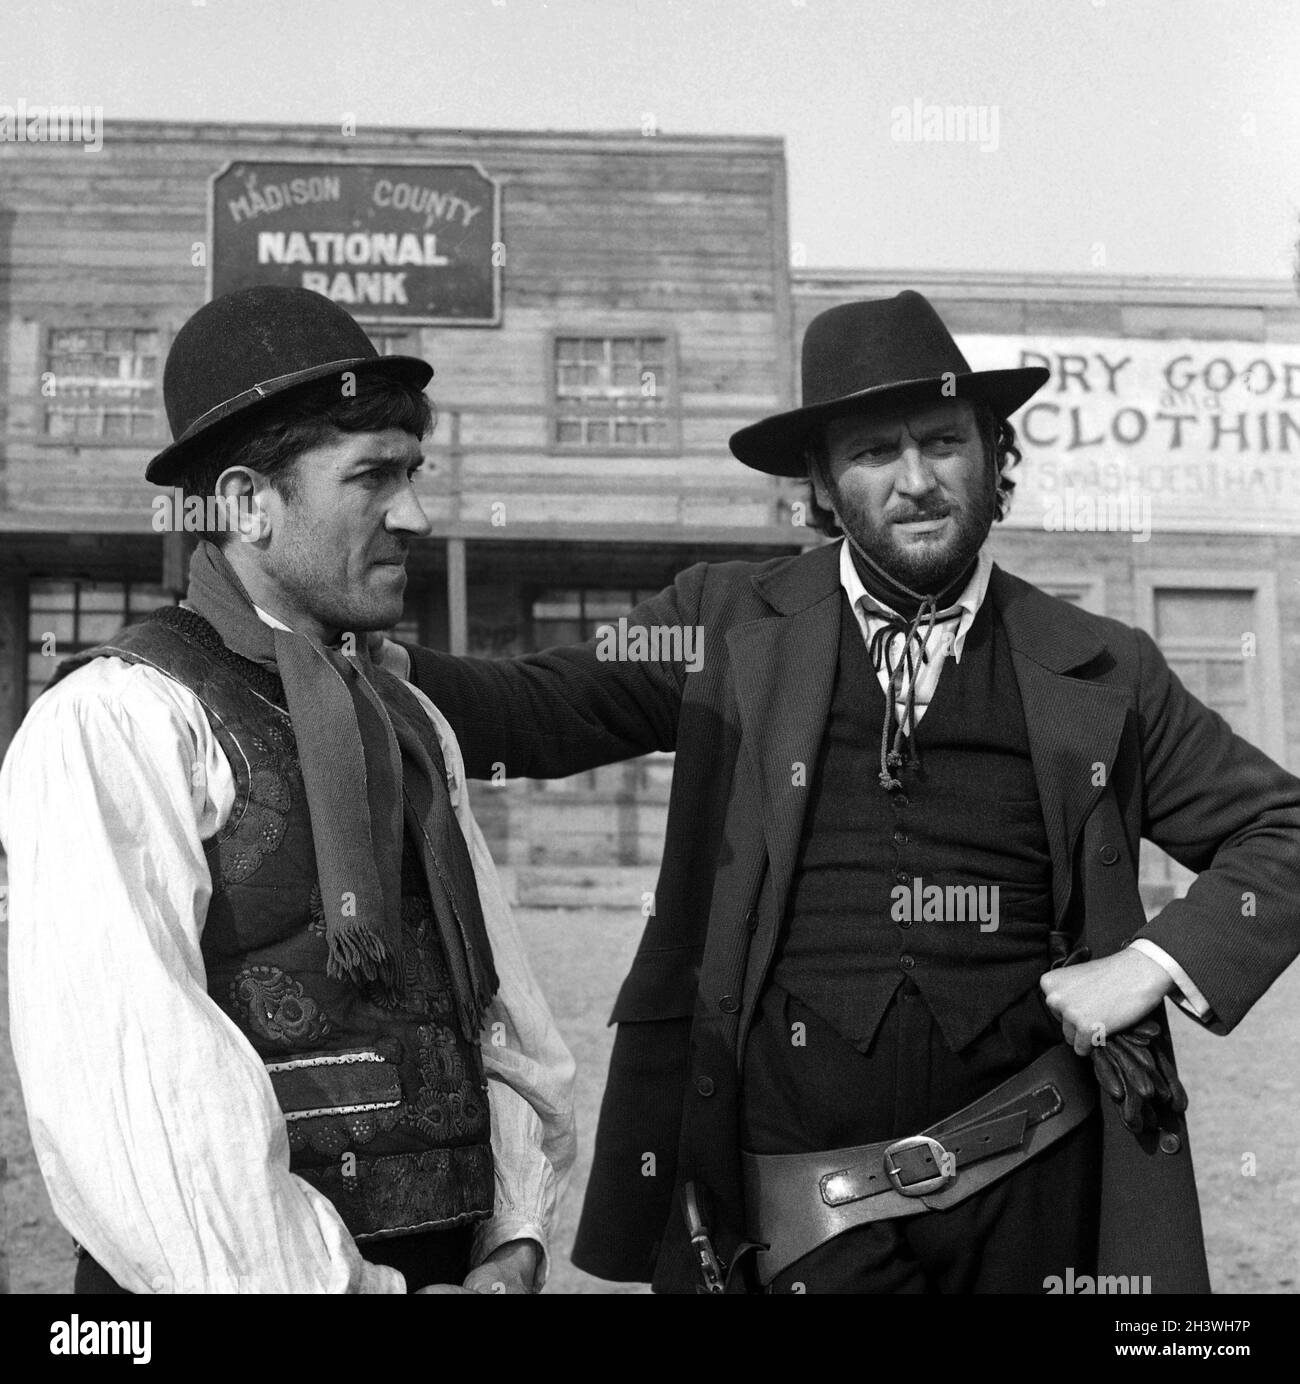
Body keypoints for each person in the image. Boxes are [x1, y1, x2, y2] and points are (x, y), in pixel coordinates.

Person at [382, 290, 1300, 1293]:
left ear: (995, 459)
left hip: (1034, 1191)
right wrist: (361, 658)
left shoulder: (1097, 666)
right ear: (820, 483)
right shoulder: (725, 623)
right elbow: (543, 708)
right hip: (800, 1213)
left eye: (943, 441)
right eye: (872, 452)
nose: (914, 481)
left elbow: (1281, 826)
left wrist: (1155, 959)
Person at [0, 286, 575, 1295]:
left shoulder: (410, 721)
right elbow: (142, 1090)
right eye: (372, 477)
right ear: (245, 503)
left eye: (415, 472)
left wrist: (514, 1237)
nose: (418, 514)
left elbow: (495, 1007)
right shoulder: (120, 722)